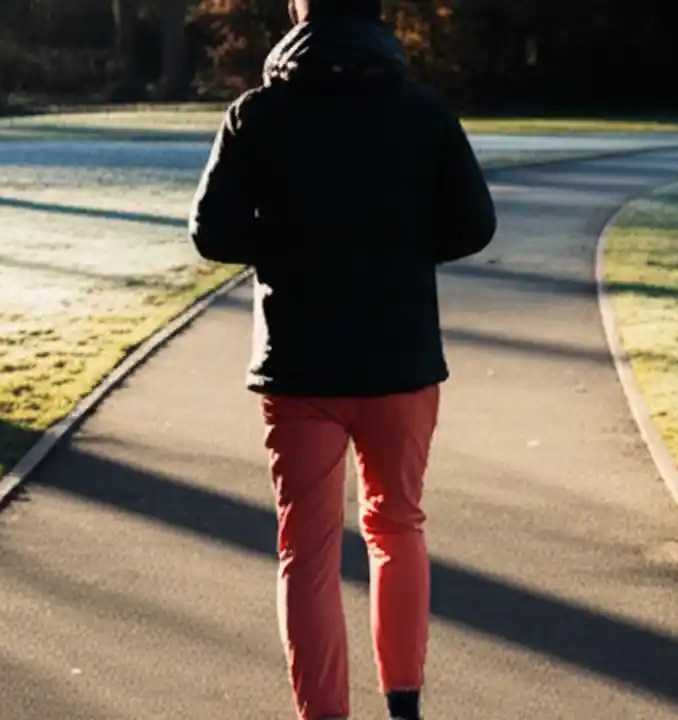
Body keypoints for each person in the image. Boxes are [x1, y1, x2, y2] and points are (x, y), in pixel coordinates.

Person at [189, 0, 497, 717]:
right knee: (398, 526)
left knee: (307, 550)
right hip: (402, 364)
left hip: (300, 366)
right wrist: (403, 245)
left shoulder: (257, 114)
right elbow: (474, 224)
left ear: (302, 10)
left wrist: (290, 242)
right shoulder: (423, 112)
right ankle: (405, 705)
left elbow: (212, 232)